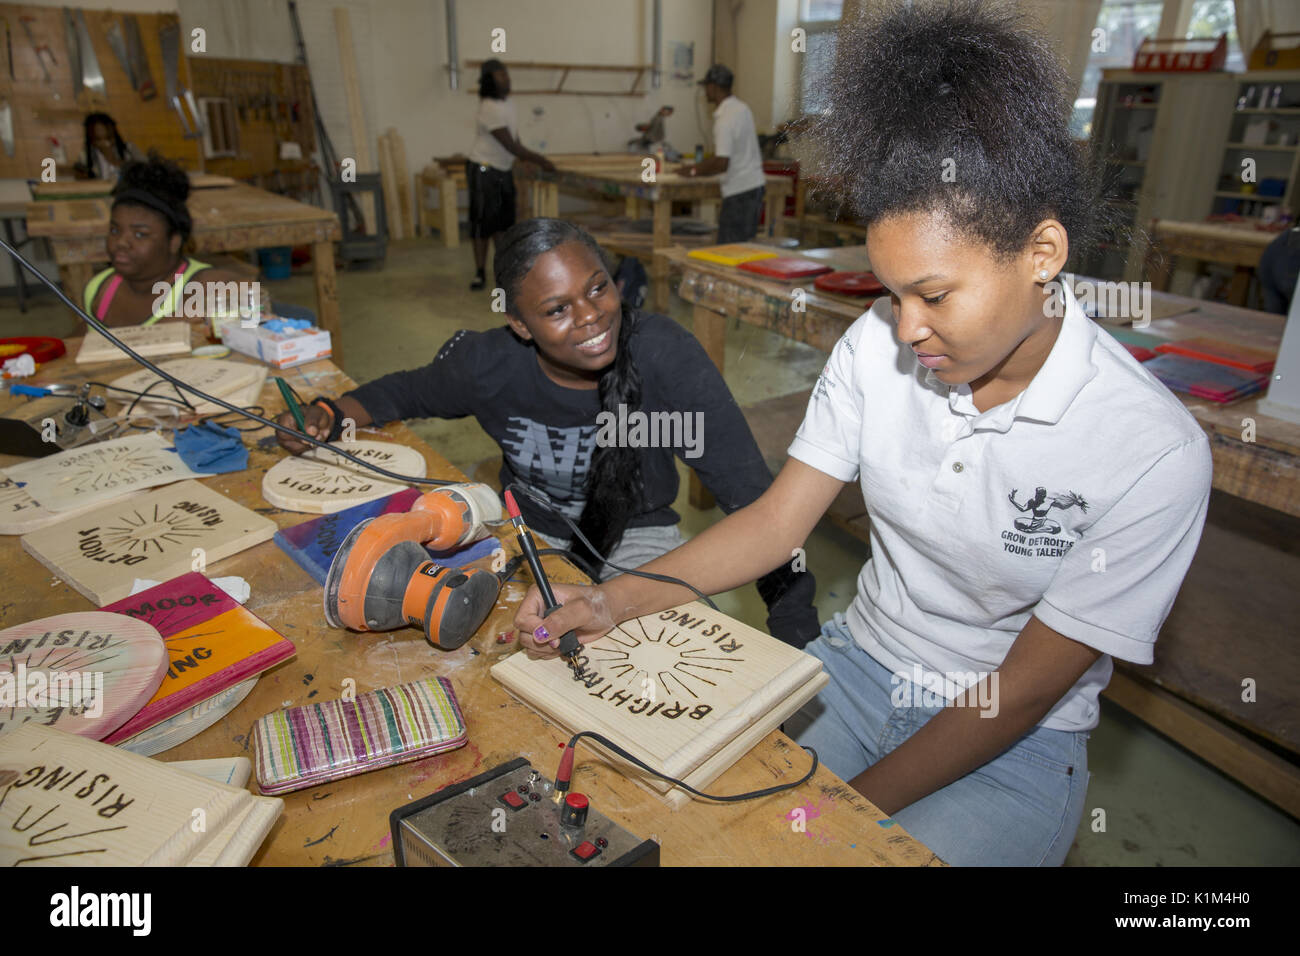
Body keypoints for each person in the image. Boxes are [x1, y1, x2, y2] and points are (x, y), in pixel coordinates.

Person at [513, 0, 1212, 867]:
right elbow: (776, 523)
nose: (905, 326)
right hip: (852, 672)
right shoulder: (876, 346)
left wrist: (832, 815)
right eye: (889, 292)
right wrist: (616, 599)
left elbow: (1024, 692)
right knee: (678, 830)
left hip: (1012, 742)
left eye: (935, 294)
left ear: (1042, 252)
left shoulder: (1151, 449)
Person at [276, 217, 820, 647]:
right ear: (520, 324)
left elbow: (755, 502)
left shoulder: (663, 355)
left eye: (599, 287)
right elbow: (406, 392)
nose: (590, 317)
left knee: (662, 659)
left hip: (639, 536)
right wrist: (330, 411)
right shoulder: (488, 364)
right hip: (530, 534)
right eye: (557, 309)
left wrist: (797, 631)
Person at [82, 153, 246, 328]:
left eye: (140, 234)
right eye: (115, 230)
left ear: (174, 242)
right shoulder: (100, 289)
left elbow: (249, 292)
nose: (121, 242)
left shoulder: (199, 285)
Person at [467, 59, 556, 291]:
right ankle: (479, 273)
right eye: (501, 75)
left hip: (502, 170)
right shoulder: (489, 107)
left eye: (506, 74)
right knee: (482, 225)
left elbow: (515, 142)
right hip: (483, 169)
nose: (507, 78)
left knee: (503, 225)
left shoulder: (509, 105)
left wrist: (524, 160)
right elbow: (509, 145)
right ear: (489, 80)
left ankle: (503, 274)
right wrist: (541, 160)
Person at [679, 65, 767, 243]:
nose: (705, 92)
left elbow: (721, 163)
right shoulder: (742, 108)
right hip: (754, 186)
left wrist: (693, 170)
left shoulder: (724, 118)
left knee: (729, 249)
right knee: (744, 247)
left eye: (706, 87)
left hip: (739, 193)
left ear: (713, 87)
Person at [76, 112, 143, 181]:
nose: (106, 143)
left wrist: (113, 160)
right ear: (92, 140)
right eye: (98, 139)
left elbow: (145, 171)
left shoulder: (129, 149)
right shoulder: (85, 156)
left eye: (109, 138)